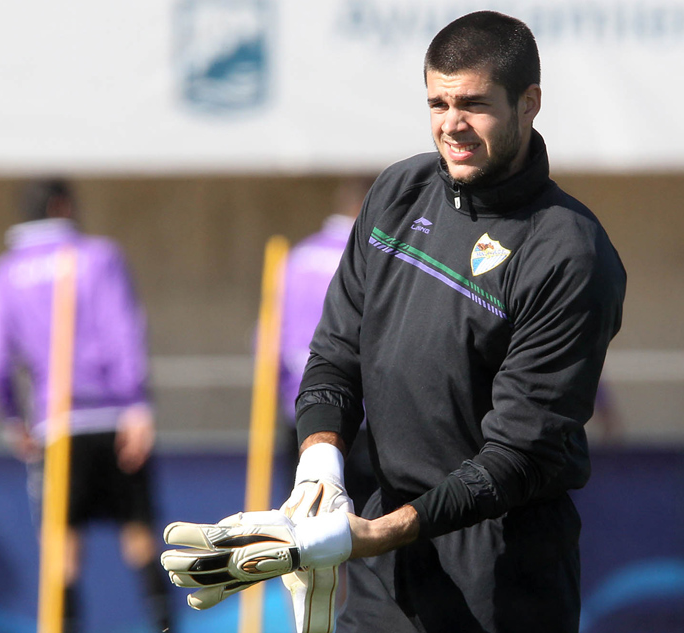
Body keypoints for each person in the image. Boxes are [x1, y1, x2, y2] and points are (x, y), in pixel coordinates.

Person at [161, 11, 626, 633]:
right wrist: (320, 467)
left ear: (529, 103)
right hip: (385, 570)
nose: (451, 124)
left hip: (502, 581)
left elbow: (519, 457)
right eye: (438, 103)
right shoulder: (398, 190)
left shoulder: (570, 251)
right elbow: (334, 352)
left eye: (474, 104)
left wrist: (377, 533)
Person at [0, 179, 172, 633]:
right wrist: (137, 404)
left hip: (55, 424)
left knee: (62, 551)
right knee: (141, 539)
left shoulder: (4, 273)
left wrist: (12, 419)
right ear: (62, 206)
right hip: (115, 419)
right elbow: (125, 333)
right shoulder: (99, 257)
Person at [278, 176, 377, 511]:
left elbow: (269, 333)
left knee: (306, 511)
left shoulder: (299, 255)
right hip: (362, 406)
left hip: (301, 406)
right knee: (366, 516)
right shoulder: (373, 255)